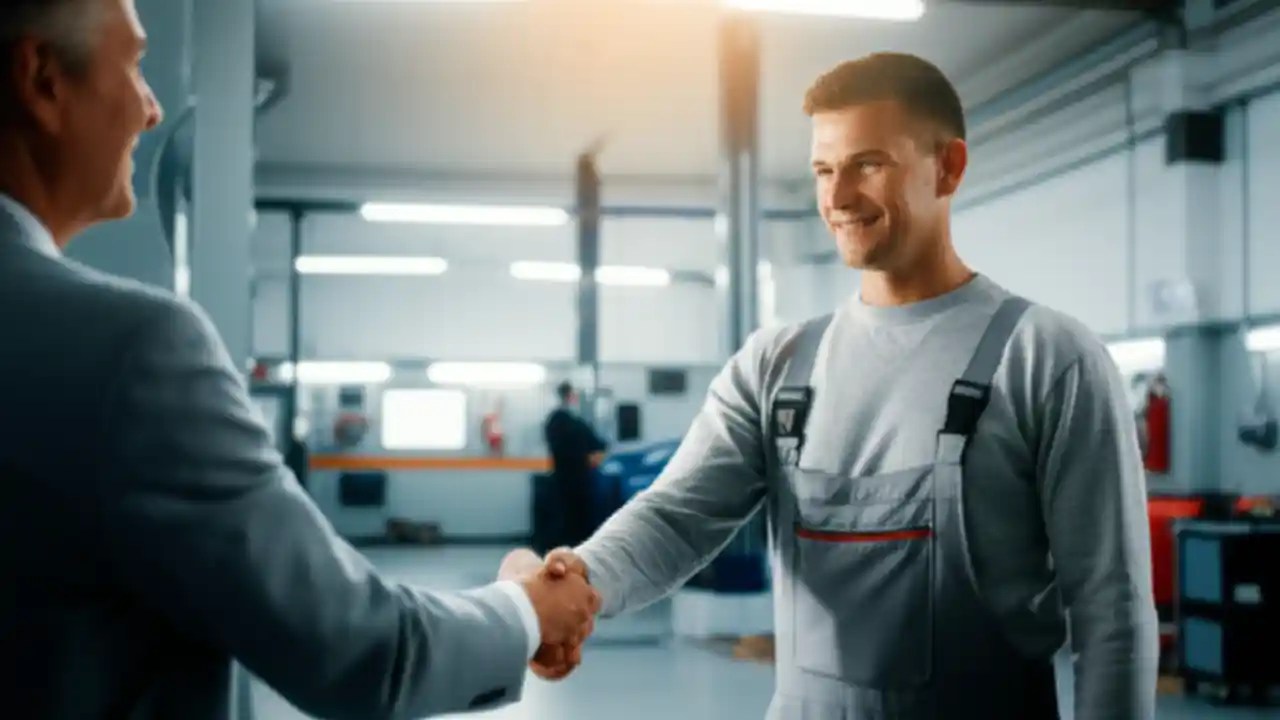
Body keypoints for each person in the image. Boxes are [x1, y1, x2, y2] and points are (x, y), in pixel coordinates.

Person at [0, 2, 598, 719]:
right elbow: (366, 653)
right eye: (130, 65)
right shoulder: (131, 351)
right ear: (41, 80)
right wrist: (527, 610)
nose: (151, 109)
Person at [516, 53, 1160, 718]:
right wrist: (578, 582)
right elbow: (676, 519)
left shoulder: (1047, 358)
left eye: (868, 163)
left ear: (949, 167)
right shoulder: (776, 364)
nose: (838, 196)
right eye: (824, 169)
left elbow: (1112, 610)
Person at [542, 381, 608, 548]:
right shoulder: (575, 422)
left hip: (561, 477)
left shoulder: (554, 421)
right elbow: (597, 443)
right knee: (579, 520)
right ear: (571, 396)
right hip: (580, 478)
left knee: (563, 519)